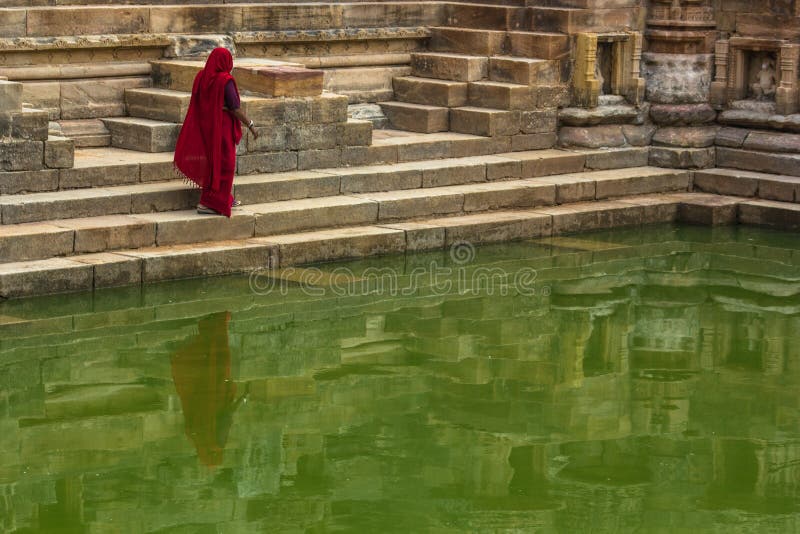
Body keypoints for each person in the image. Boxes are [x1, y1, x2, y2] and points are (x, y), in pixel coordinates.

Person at [174, 47, 259, 217]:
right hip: (222, 128)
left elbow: (200, 102)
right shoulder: (225, 80)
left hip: (207, 127)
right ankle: (209, 203)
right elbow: (235, 108)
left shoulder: (201, 77)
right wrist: (251, 125)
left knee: (214, 164)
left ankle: (224, 198)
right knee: (225, 165)